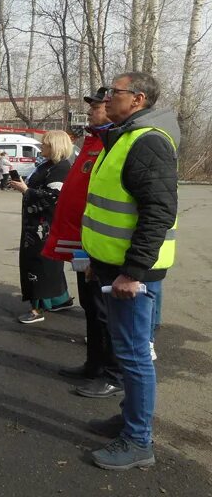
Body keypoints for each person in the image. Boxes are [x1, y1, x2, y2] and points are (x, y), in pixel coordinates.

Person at [82, 72, 178, 471]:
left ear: (137, 99)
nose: (107, 98)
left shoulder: (147, 141)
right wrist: (97, 261)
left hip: (132, 275)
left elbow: (157, 213)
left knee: (134, 355)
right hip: (114, 266)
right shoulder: (124, 135)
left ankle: (138, 441)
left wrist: (131, 272)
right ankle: (130, 419)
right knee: (130, 351)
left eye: (113, 93)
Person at [42, 89, 121, 398]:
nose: (90, 111)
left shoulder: (112, 142)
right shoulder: (92, 141)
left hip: (101, 244)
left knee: (104, 310)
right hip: (83, 240)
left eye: (97, 106)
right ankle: (94, 364)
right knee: (90, 305)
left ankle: (112, 373)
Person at [10, 130, 74, 323]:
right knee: (48, 263)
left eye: (45, 144)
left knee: (39, 263)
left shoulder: (61, 168)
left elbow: (53, 198)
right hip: (36, 224)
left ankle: (37, 309)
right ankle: (58, 299)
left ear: (55, 146)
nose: (41, 147)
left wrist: (26, 190)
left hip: (44, 226)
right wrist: (25, 188)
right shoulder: (47, 166)